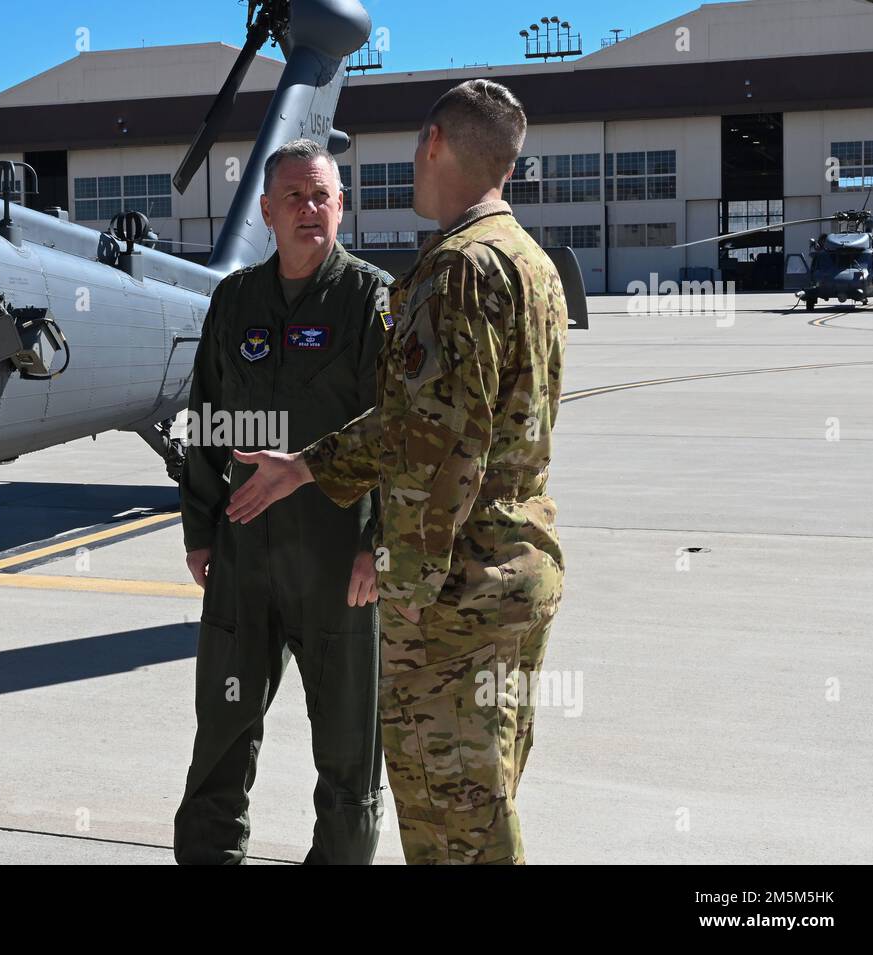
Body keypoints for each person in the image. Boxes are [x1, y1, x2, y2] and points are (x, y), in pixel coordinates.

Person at [225, 81, 568, 865]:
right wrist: (309, 465)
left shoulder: (457, 271)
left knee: (455, 830)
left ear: (438, 142)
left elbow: (442, 452)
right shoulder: (529, 262)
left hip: (455, 601)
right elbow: (433, 419)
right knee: (485, 801)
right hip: (515, 572)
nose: (412, 164)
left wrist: (403, 591)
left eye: (417, 147)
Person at [174, 138, 393, 865]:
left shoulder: (369, 300)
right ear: (266, 210)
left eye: (323, 195)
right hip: (244, 557)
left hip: (339, 565)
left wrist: (378, 543)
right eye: (295, 197)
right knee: (221, 737)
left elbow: (398, 431)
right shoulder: (235, 300)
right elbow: (206, 418)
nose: (310, 209)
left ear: (343, 206)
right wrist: (199, 530)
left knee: (347, 753)